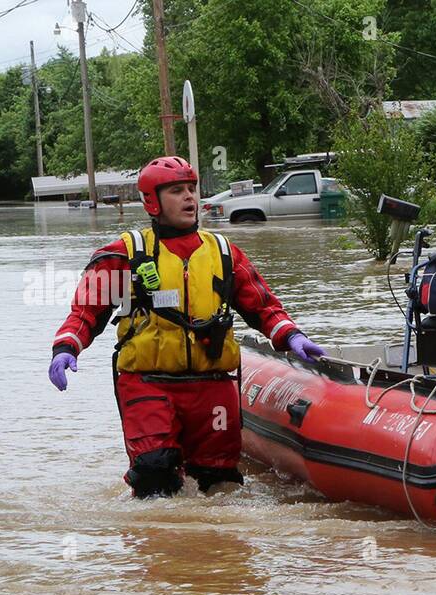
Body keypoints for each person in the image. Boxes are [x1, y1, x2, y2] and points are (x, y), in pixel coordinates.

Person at [48, 155, 326, 498]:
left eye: (192, 189)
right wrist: (66, 348)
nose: (189, 198)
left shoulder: (225, 254)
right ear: (152, 201)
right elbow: (86, 312)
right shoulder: (124, 255)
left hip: (212, 386)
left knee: (219, 482)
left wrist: (292, 336)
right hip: (148, 384)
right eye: (177, 191)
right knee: (153, 476)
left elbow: (264, 307)